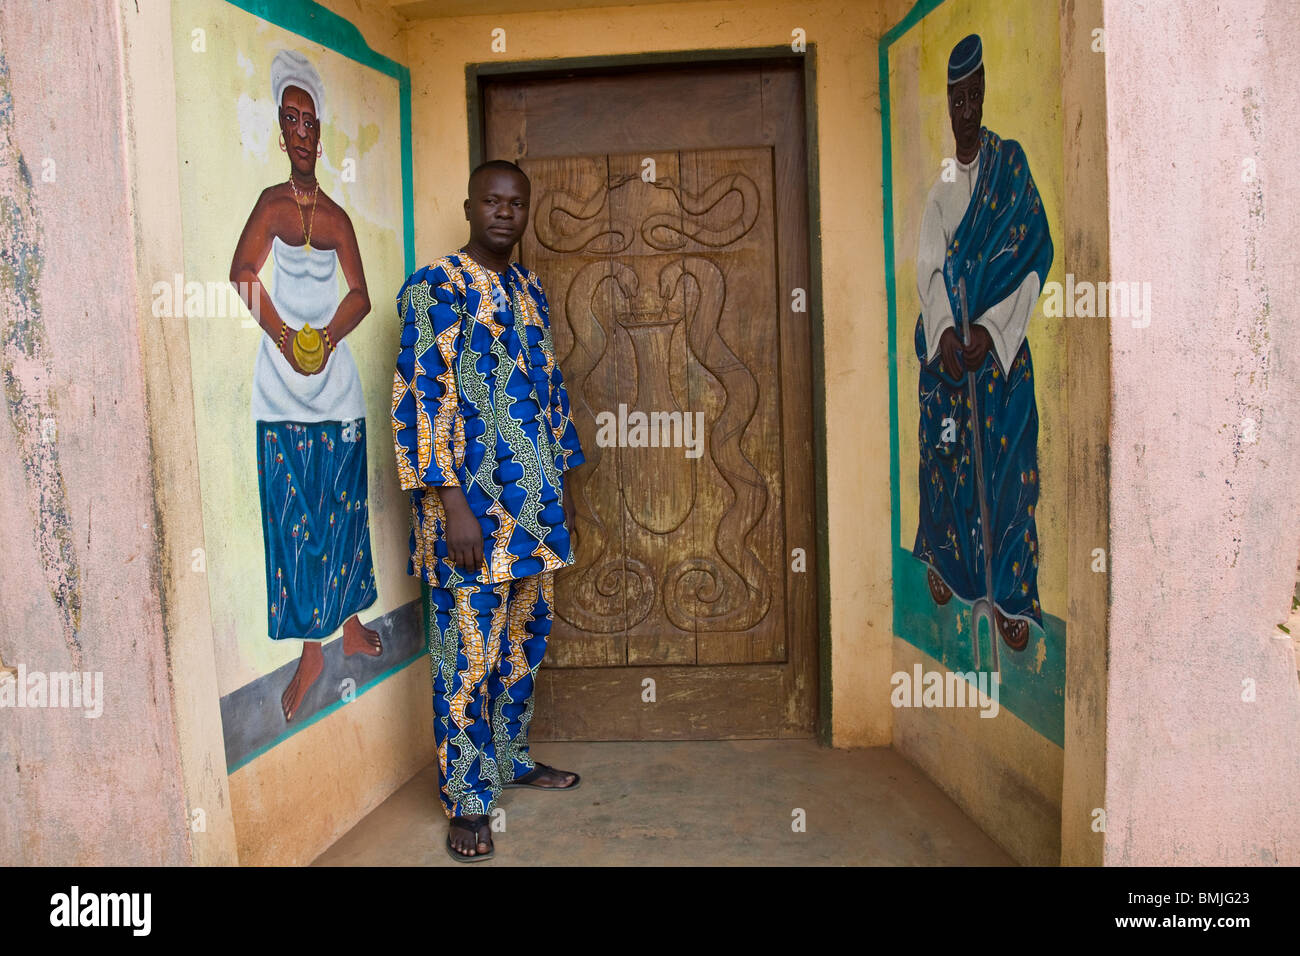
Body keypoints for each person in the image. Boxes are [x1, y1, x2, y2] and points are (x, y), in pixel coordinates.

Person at [392, 160, 586, 861]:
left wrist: (562, 486)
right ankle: (468, 803)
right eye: (492, 201)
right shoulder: (434, 288)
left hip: (534, 513)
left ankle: (510, 760)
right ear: (469, 205)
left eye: (517, 203)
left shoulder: (529, 288)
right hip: (470, 516)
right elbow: (421, 396)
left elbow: (550, 391)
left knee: (522, 645)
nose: (505, 212)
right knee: (466, 657)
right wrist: (451, 504)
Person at [230, 49, 383, 723]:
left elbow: (361, 296)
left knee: (344, 509)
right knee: (295, 515)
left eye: (309, 120)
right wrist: (288, 338)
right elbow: (242, 275)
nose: (300, 130)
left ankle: (350, 622)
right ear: (281, 129)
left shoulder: (340, 219)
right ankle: (311, 646)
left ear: (319, 134)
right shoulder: (269, 208)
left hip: (338, 390)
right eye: (289, 119)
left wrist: (328, 341)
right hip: (281, 389)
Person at [912, 34, 1054, 652]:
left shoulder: (1012, 169)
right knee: (947, 462)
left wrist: (989, 330)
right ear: (947, 105)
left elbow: (1032, 257)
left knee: (1010, 473)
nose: (966, 112)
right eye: (956, 101)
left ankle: (1010, 597)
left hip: (1000, 358)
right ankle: (949, 567)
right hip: (951, 362)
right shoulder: (942, 192)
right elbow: (928, 273)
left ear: (983, 95)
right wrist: (945, 331)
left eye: (974, 98)